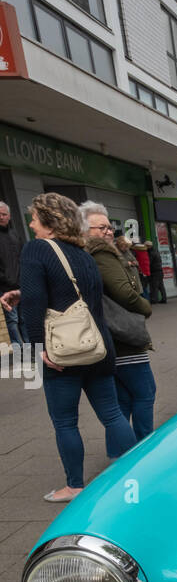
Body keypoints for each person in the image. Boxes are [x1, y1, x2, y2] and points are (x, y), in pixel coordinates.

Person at [8, 193, 136, 502]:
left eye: (35, 218)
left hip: (61, 353)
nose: (30, 223)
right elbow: (75, 299)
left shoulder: (36, 249)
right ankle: (137, 474)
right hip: (96, 346)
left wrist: (38, 349)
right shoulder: (84, 253)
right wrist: (23, 294)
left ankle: (74, 486)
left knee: (65, 420)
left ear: (49, 223)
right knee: (113, 414)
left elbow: (38, 303)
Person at [81, 202, 156, 441]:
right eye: (100, 227)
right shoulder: (102, 252)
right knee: (145, 393)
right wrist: (145, 307)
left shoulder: (85, 253)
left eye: (109, 226)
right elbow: (123, 291)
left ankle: (119, 451)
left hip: (108, 337)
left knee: (122, 398)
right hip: (123, 336)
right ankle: (144, 446)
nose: (108, 232)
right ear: (85, 230)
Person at [0, 200, 24, 345]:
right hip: (4, 288)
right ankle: (20, 353)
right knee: (12, 321)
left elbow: (23, 259)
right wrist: (8, 281)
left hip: (20, 287)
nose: (1, 217)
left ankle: (32, 350)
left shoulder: (15, 235)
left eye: (4, 214)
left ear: (9, 216)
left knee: (24, 319)